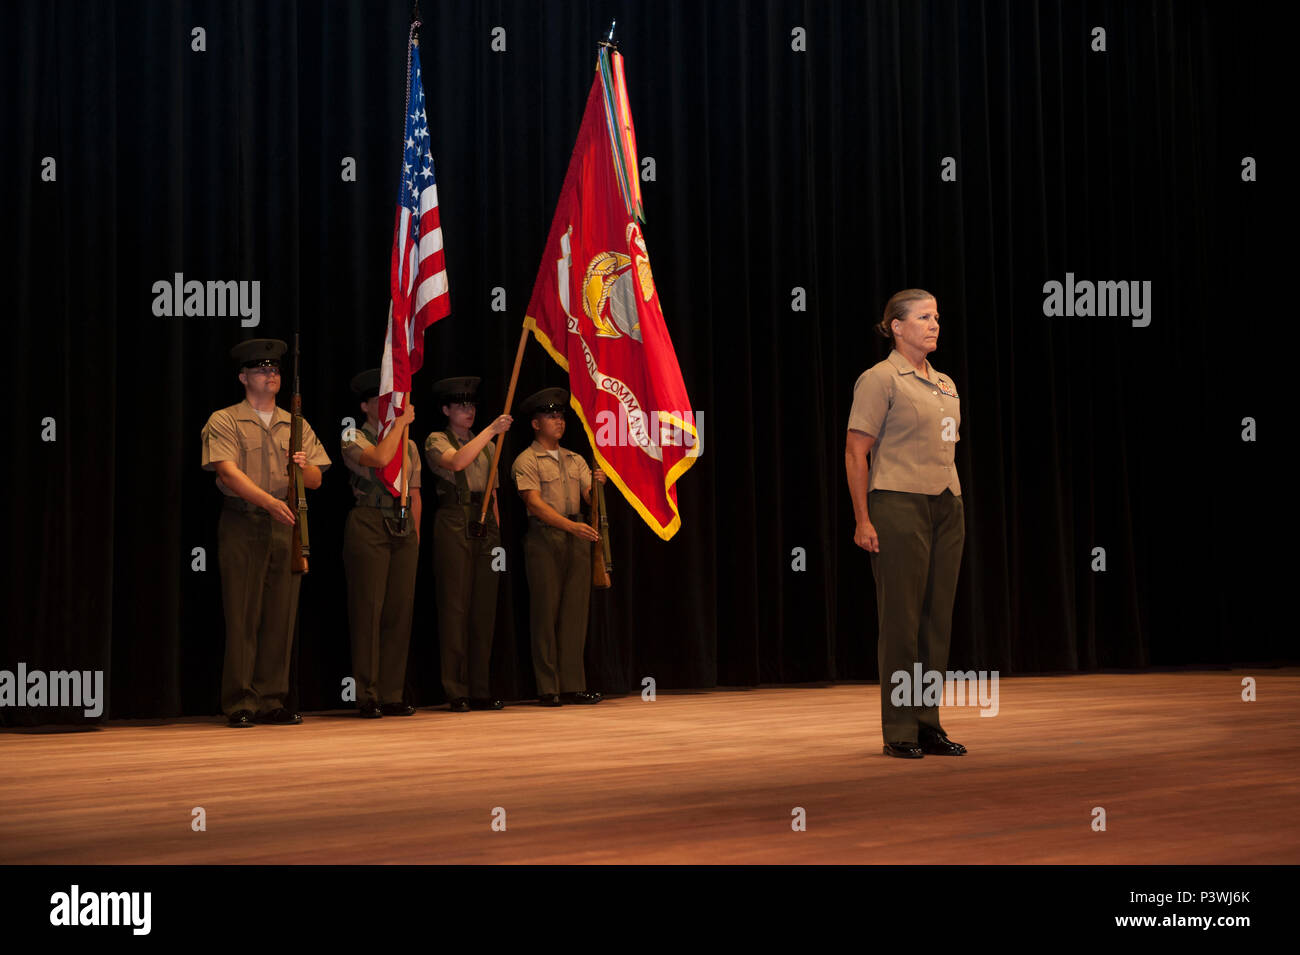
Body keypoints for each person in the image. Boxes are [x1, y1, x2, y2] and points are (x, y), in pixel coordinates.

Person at [845, 290, 967, 759]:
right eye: (923, 317)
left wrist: (953, 502)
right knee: (901, 620)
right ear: (896, 326)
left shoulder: (946, 384)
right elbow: (857, 451)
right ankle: (899, 728)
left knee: (936, 620)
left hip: (946, 504)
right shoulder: (880, 379)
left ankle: (927, 722)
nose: (934, 324)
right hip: (897, 504)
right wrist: (862, 518)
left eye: (937, 316)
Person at [201, 338, 330, 728]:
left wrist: (303, 467)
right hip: (245, 519)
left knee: (280, 614)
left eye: (274, 369)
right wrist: (268, 502)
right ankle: (240, 700)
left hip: (285, 521)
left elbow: (317, 479)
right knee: (243, 613)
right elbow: (227, 471)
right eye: (261, 369)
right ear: (243, 377)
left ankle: (272, 698)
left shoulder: (297, 424)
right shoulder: (224, 419)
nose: (270, 374)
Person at [511, 387, 606, 706]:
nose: (558, 421)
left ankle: (573, 684)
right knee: (545, 613)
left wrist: (598, 487)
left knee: (574, 614)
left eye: (561, 416)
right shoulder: (526, 460)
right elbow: (535, 504)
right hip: (545, 537)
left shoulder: (575, 458)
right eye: (551, 416)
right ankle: (548, 687)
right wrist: (571, 526)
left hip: (577, 536)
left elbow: (589, 500)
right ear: (536, 424)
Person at [423, 376, 512, 713]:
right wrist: (491, 430)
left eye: (472, 404)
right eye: (460, 405)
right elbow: (457, 462)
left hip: (485, 520)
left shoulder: (488, 445)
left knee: (483, 609)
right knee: (455, 607)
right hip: (454, 517)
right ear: (446, 409)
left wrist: (498, 537)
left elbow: (494, 494)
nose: (468, 410)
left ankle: (480, 687)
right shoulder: (437, 438)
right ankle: (455, 688)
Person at [340, 369, 422, 718]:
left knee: (398, 613)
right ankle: (367, 693)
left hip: (402, 525)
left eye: (393, 401)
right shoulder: (352, 435)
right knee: (368, 610)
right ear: (365, 405)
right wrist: (400, 426)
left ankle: (391, 691)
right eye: (381, 401)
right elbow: (378, 459)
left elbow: (415, 493)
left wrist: (415, 534)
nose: (389, 407)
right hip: (369, 522)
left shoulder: (411, 445)